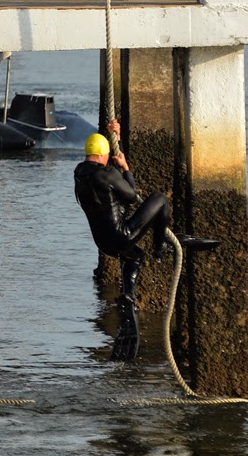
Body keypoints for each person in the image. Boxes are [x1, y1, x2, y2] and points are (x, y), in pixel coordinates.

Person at [73, 126, 218, 359]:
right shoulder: (107, 174)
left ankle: (128, 299)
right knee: (160, 199)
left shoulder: (80, 174)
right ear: (103, 154)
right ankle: (160, 248)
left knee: (136, 256)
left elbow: (109, 189)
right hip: (122, 234)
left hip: (104, 243)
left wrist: (117, 139)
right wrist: (125, 168)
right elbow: (131, 196)